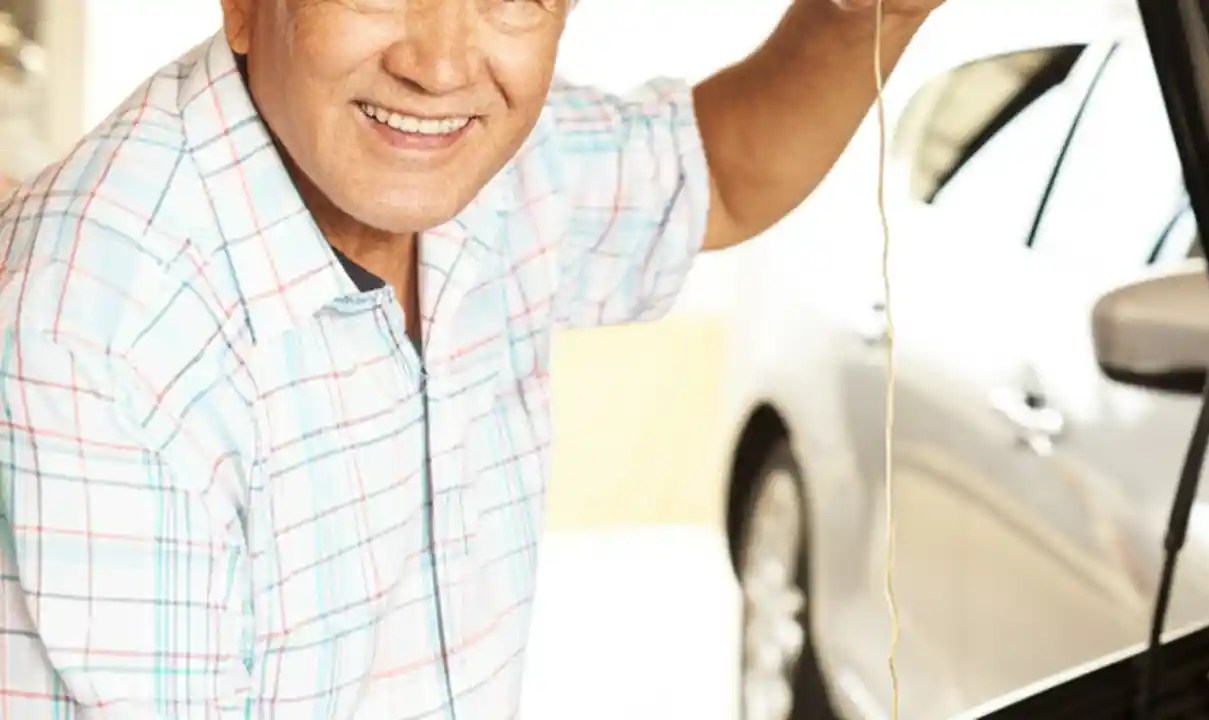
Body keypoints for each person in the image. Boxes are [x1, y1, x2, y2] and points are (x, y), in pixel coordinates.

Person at [0, 0, 944, 716]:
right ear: (245, 6)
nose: (440, 66)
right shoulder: (104, 322)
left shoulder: (491, 166)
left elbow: (720, 175)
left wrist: (867, 12)